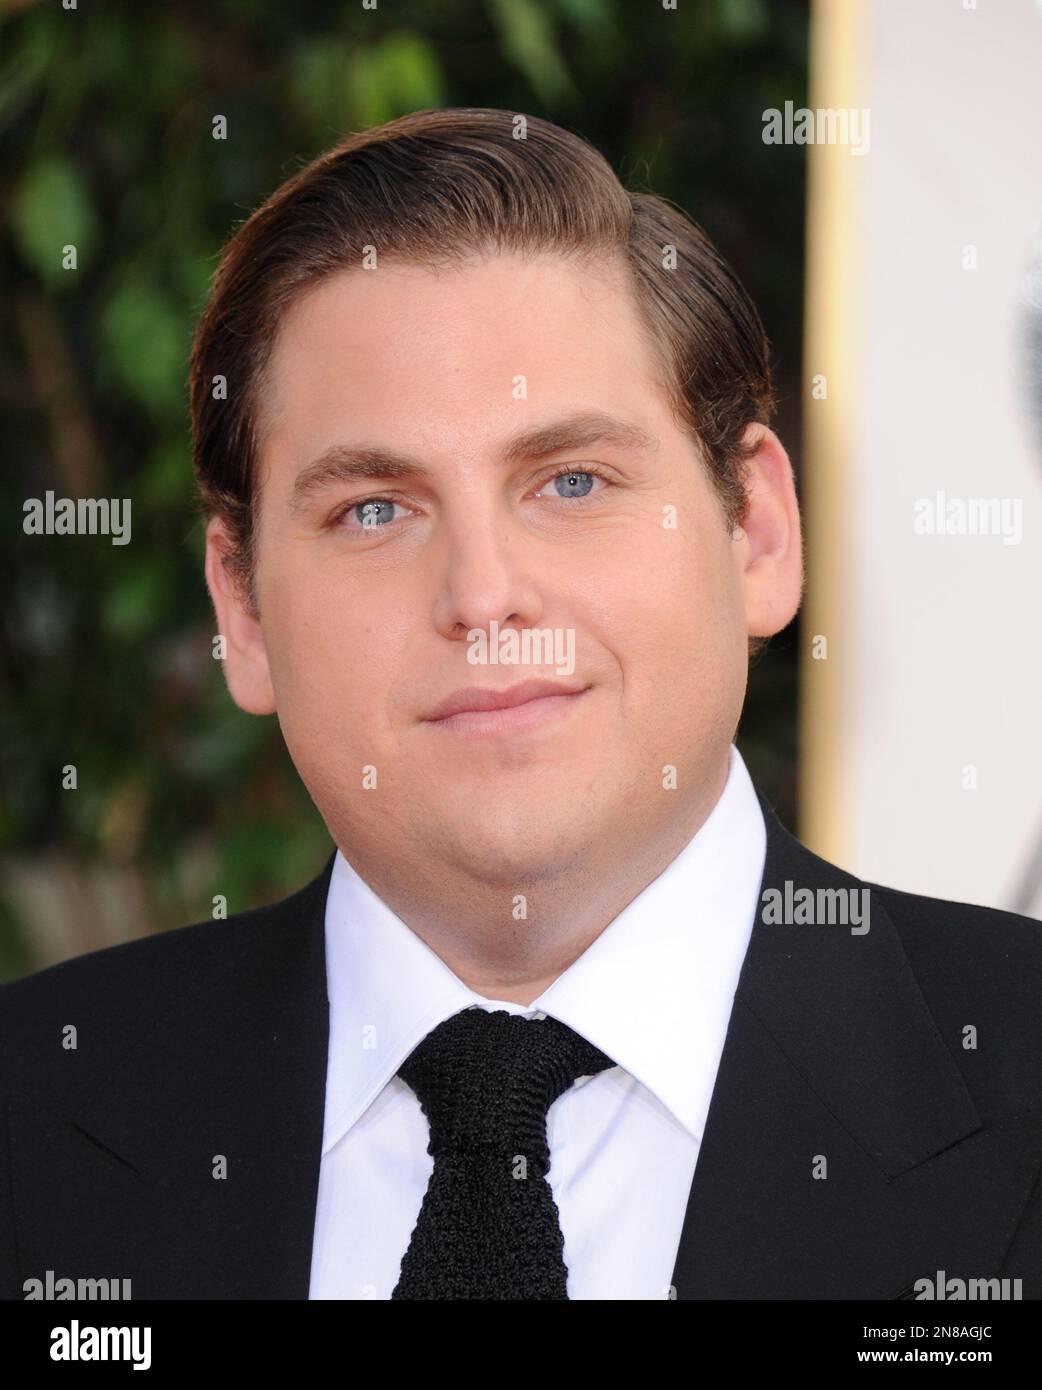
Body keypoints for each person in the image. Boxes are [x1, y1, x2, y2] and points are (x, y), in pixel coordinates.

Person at [2, 108, 1040, 1302]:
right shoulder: (29, 1123)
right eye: (375, 510)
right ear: (240, 610)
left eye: (572, 480)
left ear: (753, 530)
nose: (485, 595)